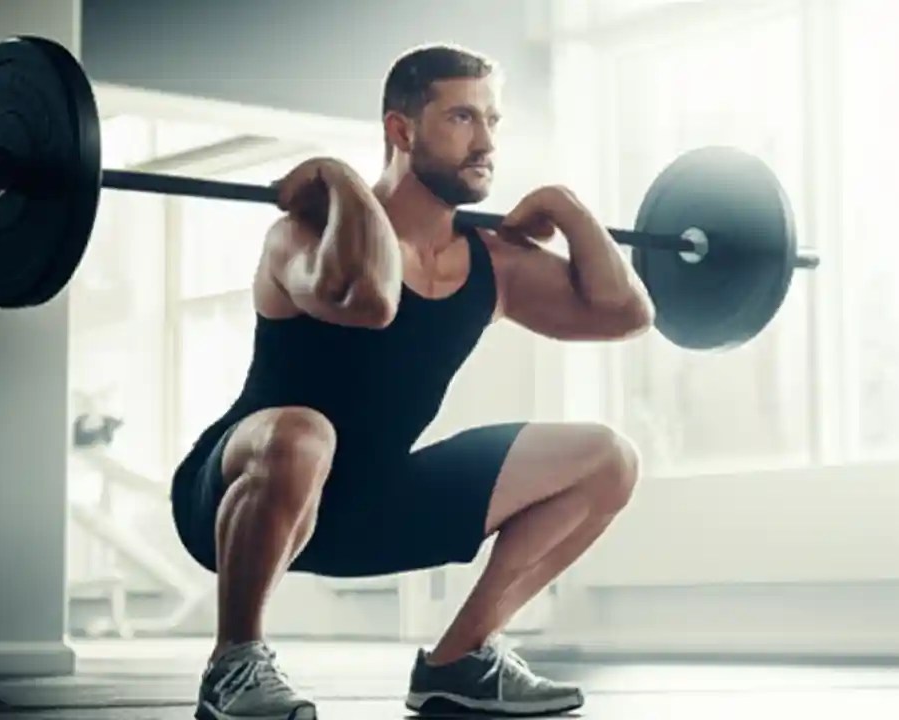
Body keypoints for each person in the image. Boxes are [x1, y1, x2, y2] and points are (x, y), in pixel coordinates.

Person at [170, 42, 655, 720]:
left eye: (492, 120)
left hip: (369, 505)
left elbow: (626, 313)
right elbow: (369, 300)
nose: (485, 140)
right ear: (401, 131)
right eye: (461, 118)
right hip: (236, 494)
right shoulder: (304, 234)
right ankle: (234, 663)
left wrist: (568, 208)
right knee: (307, 433)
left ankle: (461, 661)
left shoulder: (493, 263)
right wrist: (342, 180)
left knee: (608, 460)